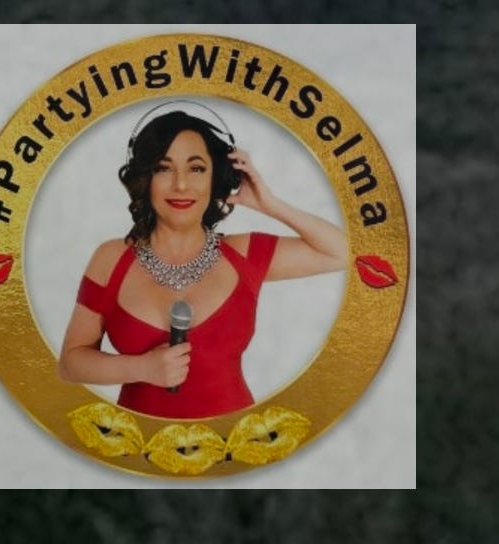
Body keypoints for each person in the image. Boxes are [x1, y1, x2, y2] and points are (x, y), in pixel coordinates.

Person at [57, 109, 348, 419]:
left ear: (216, 178)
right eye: (163, 168)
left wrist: (270, 203)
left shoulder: (244, 254)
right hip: (140, 451)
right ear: (145, 178)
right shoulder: (111, 259)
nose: (181, 185)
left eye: (196, 168)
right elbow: (71, 364)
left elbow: (341, 252)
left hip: (233, 450)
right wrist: (141, 368)